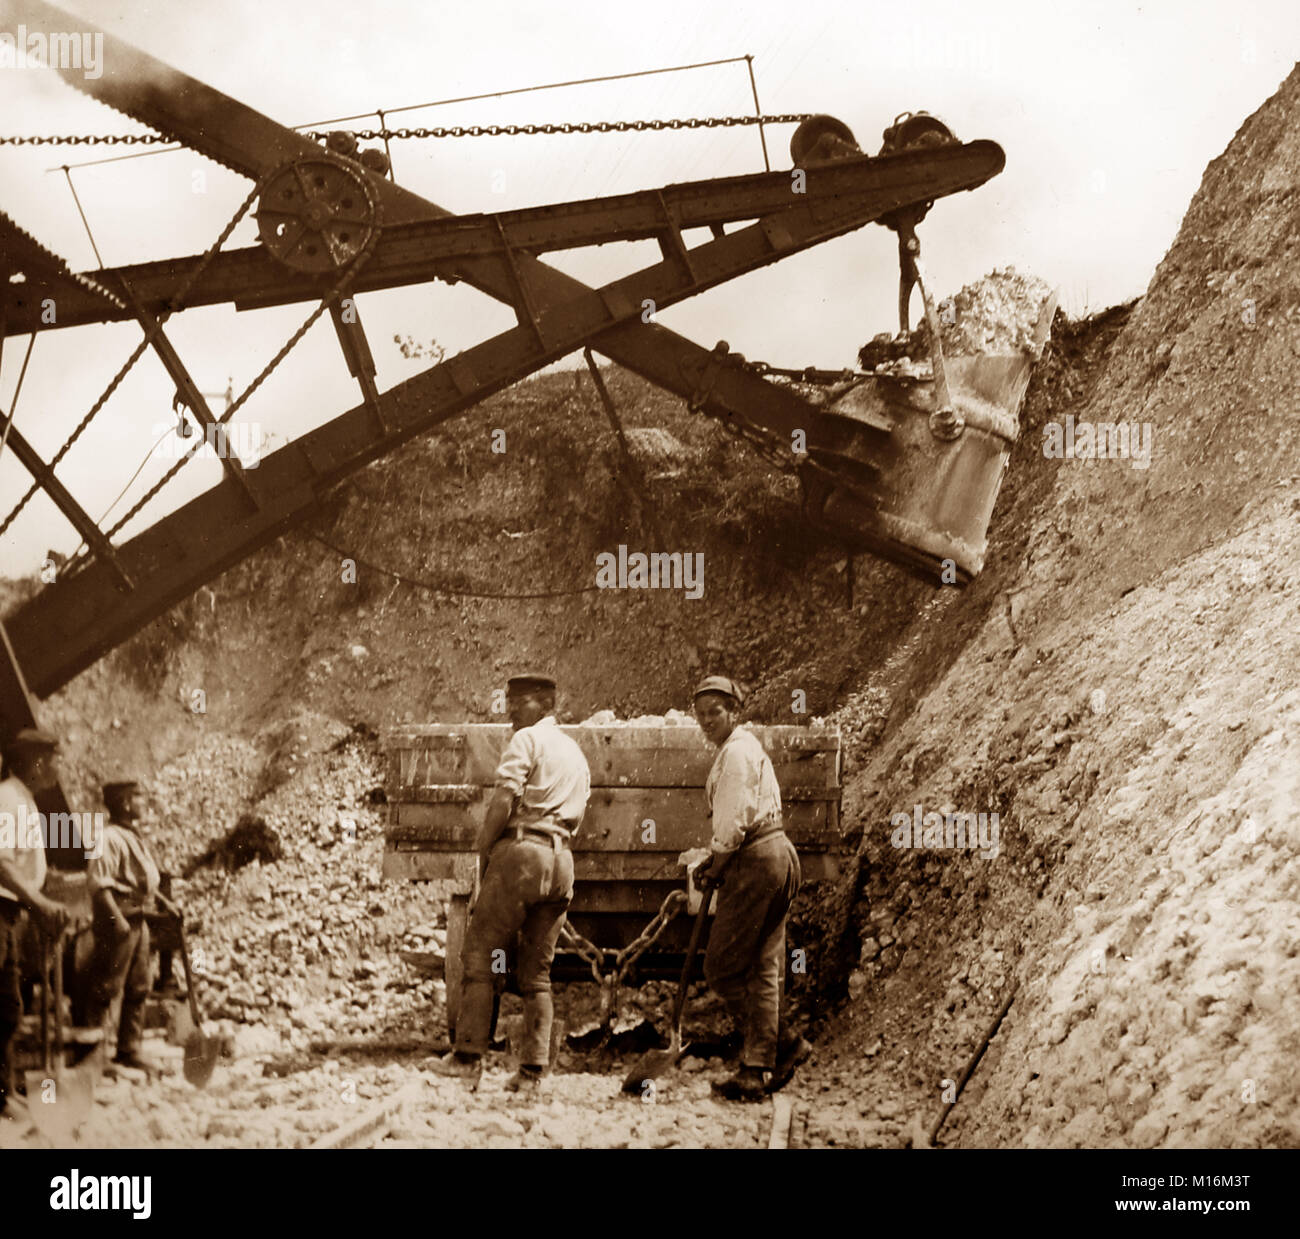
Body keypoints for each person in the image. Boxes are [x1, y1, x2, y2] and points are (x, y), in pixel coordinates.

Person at [428, 673, 590, 1094]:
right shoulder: (575, 752)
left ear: (545, 703)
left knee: (481, 955)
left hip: (522, 853)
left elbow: (503, 799)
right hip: (562, 861)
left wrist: (483, 850)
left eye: (520, 702)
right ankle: (533, 1073)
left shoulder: (526, 741)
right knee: (537, 974)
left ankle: (467, 1059)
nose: (510, 709)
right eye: (510, 701)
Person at [691, 676, 811, 1100]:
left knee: (721, 968)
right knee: (763, 968)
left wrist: (717, 860)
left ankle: (782, 1043)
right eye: (701, 713)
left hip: (758, 860)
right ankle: (757, 1066)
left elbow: (733, 821)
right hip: (775, 853)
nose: (707, 721)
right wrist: (718, 858)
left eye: (715, 712)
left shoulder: (737, 753)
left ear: (734, 712)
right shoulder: (742, 749)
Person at [0, 728, 70, 1116]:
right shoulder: (8, 799)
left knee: (8, 1006)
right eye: (55, 759)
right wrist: (40, 901)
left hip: (10, 913)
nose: (59, 767)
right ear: (38, 762)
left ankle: (4, 1093)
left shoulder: (23, 801)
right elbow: (2, 863)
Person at [83, 780, 175, 1075]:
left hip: (137, 917)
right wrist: (118, 921)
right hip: (118, 920)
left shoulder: (130, 835)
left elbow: (139, 878)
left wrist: (163, 901)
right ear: (123, 802)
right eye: (138, 796)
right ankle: (94, 1054)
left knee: (139, 984)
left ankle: (128, 1049)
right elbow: (98, 884)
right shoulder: (106, 837)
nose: (143, 802)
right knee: (108, 986)